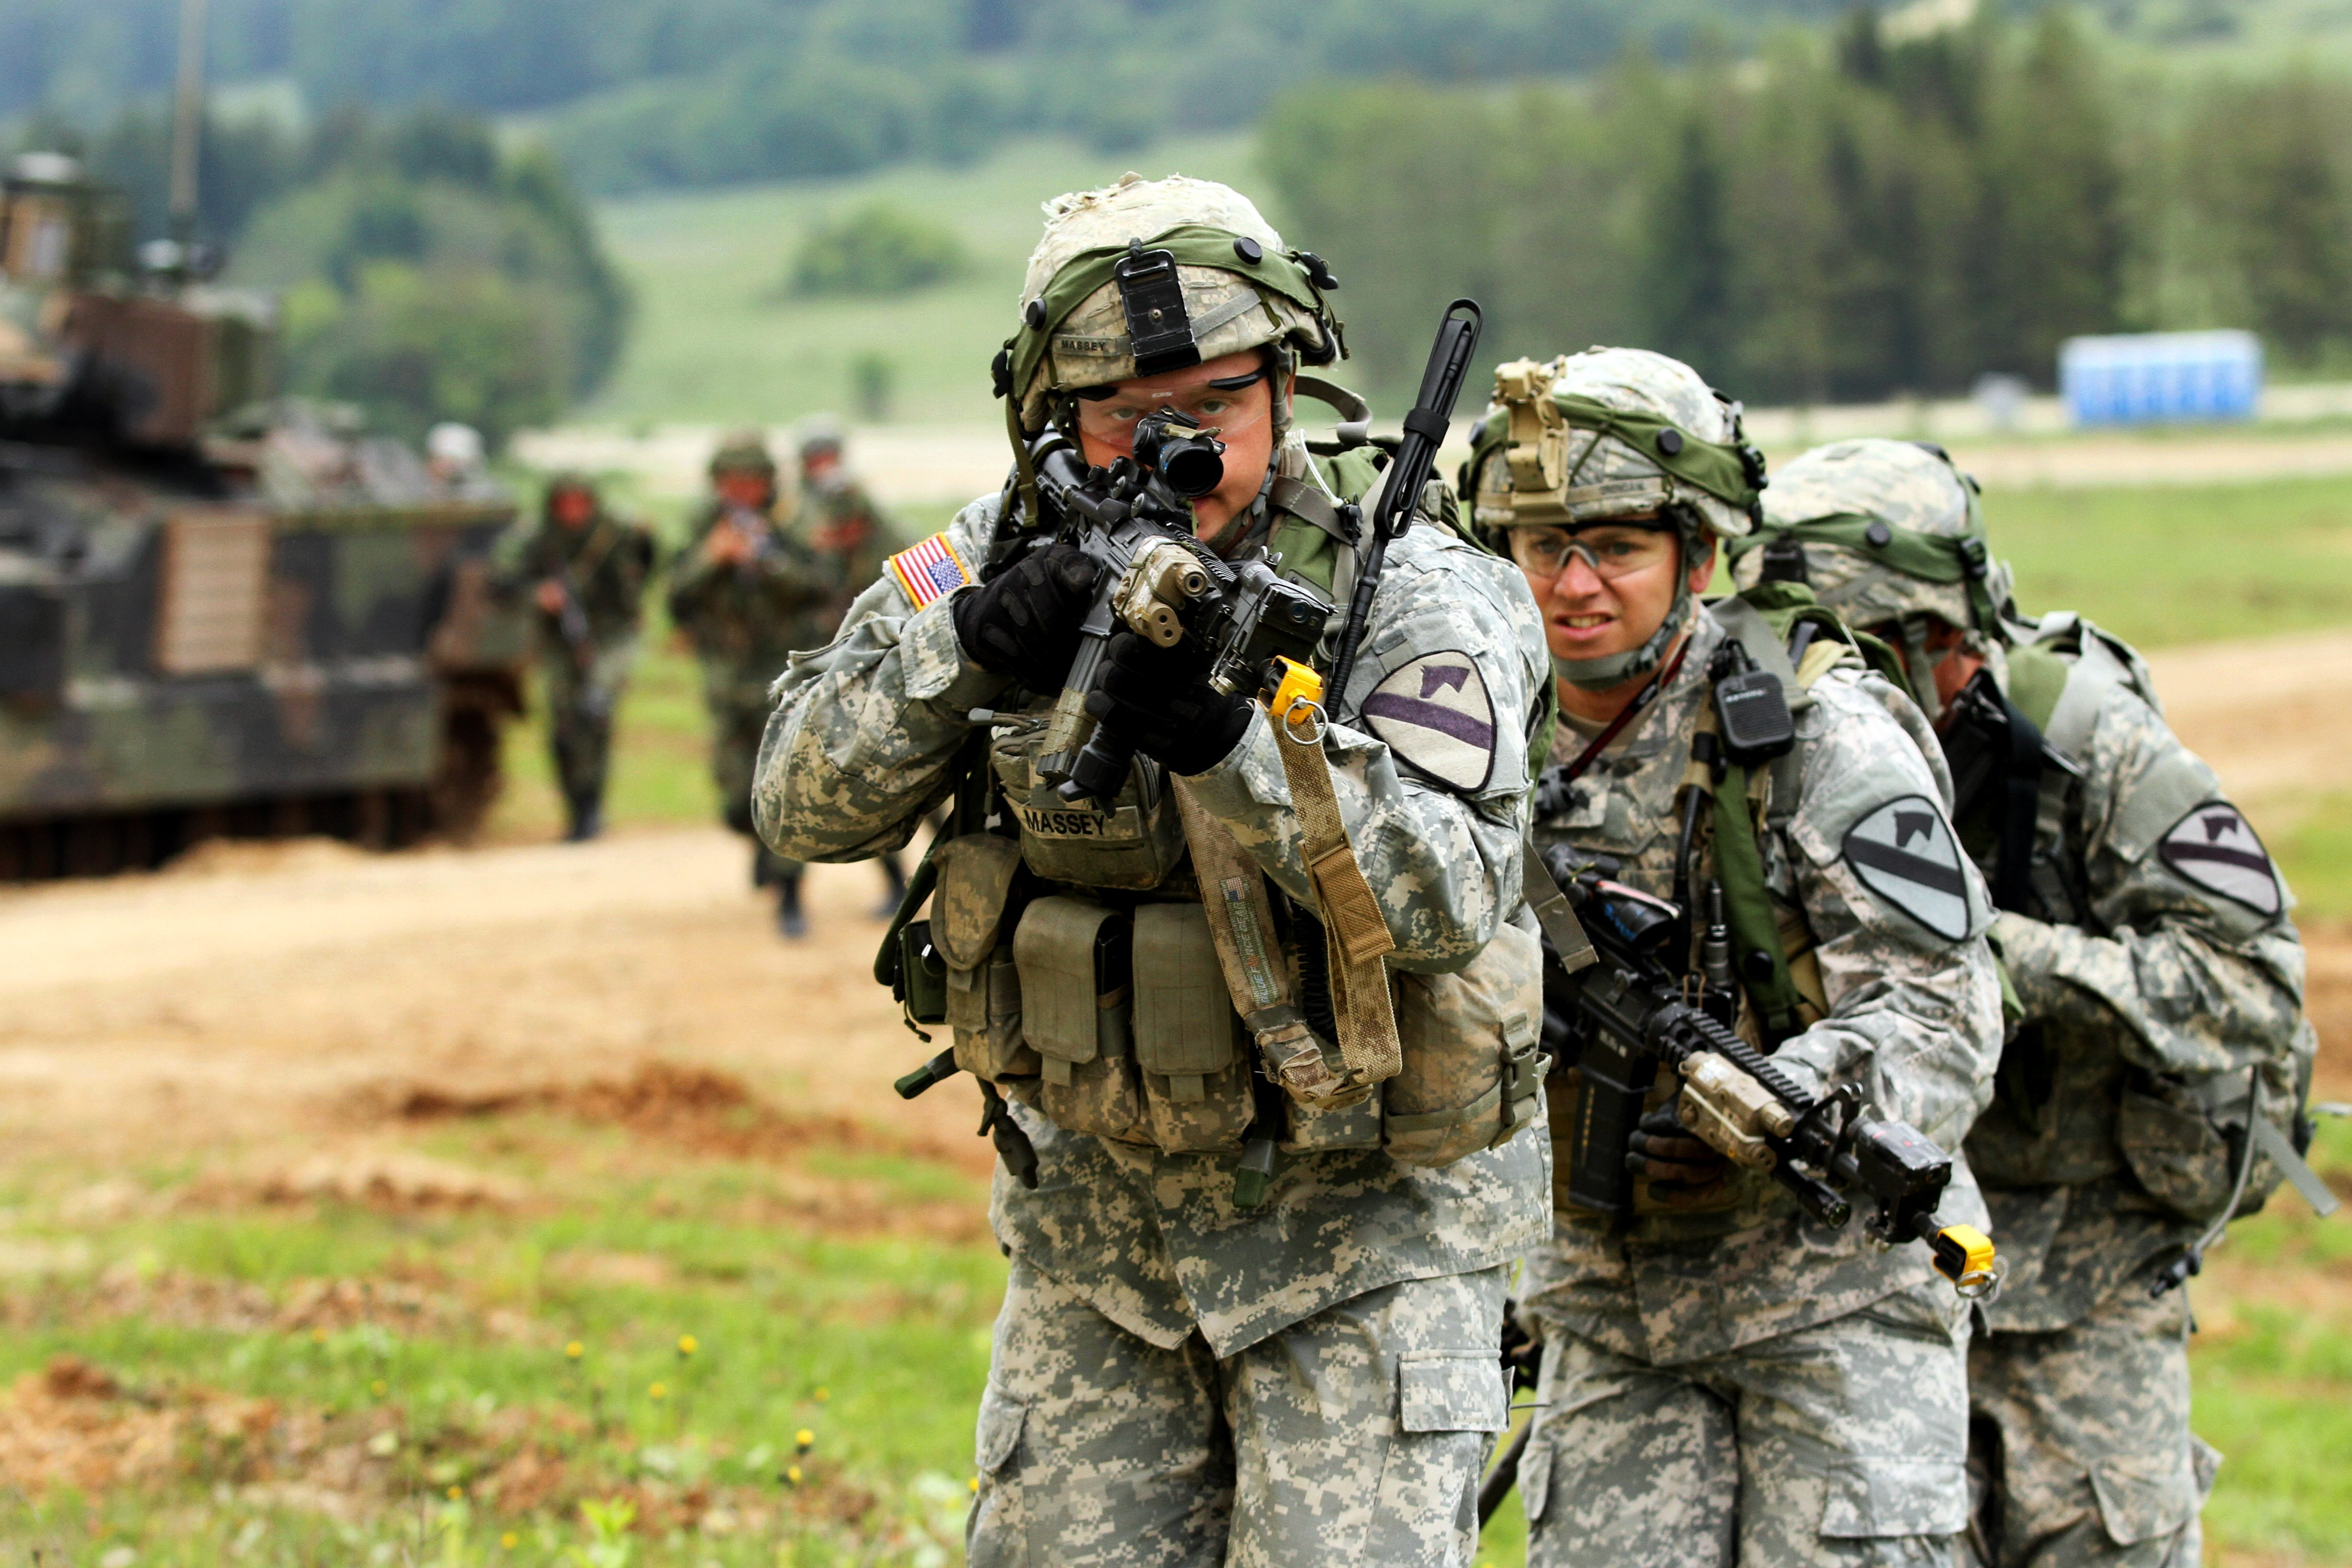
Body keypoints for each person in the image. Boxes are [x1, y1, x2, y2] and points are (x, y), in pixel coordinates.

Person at [755, 173, 1553, 1565]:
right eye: (1128, 412)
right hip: (1097, 1254)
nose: (1179, 444)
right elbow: (796, 802)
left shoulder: (1413, 587)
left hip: (1363, 1257)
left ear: (1287, 392)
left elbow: (1449, 897)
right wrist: (969, 650)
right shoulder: (996, 551)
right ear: (1049, 419)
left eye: (1220, 405)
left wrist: (1240, 747)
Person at [1726, 437, 2322, 1568]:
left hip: (2084, 1265)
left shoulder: (2093, 743)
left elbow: (2252, 984)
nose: (1822, 680)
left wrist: (2011, 956)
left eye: (1856, 652)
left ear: (1946, 641)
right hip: (1881, 1259)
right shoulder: (1771, 745)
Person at [1472, 351, 2005, 1567]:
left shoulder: (1813, 733)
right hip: (1608, 1310)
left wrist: (1773, 1106)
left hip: (1834, 1298)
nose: (1572, 582)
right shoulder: (1467, 728)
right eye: (1540, 543)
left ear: (1697, 555)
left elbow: (1942, 1002)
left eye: (1614, 544)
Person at [667, 433, 833, 936]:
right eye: (731, 482)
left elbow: (821, 585)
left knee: (784, 786)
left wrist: (768, 561)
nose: (741, 491)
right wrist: (712, 558)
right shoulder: (702, 526)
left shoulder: (791, 524)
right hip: (727, 675)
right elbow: (674, 597)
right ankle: (757, 841)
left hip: (783, 675)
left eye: (751, 481)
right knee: (735, 797)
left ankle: (789, 894)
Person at [496, 472, 654, 842]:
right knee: (563, 725)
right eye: (565, 503)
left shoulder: (616, 530)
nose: (573, 511)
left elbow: (648, 560)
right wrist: (538, 593)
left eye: (580, 502)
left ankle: (593, 805)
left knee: (596, 710)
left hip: (611, 634)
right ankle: (575, 809)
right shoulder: (538, 535)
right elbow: (502, 577)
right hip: (559, 642)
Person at [797, 416, 913, 914]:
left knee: (911, 783)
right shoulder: (809, 538)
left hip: (897, 680)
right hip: (840, 679)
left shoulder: (900, 548)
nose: (834, 536)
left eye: (843, 528)